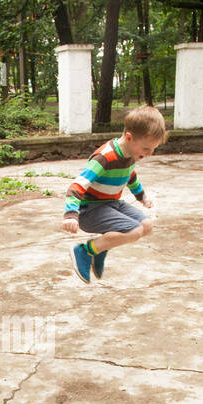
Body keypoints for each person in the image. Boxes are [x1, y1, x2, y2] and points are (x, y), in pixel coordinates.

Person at [62, 104, 164, 283]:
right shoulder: (105, 157)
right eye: (147, 149)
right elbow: (77, 186)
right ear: (129, 137)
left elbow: (130, 176)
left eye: (153, 149)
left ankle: (101, 249)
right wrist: (71, 214)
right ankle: (85, 251)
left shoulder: (130, 154)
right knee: (134, 230)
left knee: (147, 224)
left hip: (110, 204)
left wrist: (142, 197)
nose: (150, 154)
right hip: (89, 210)